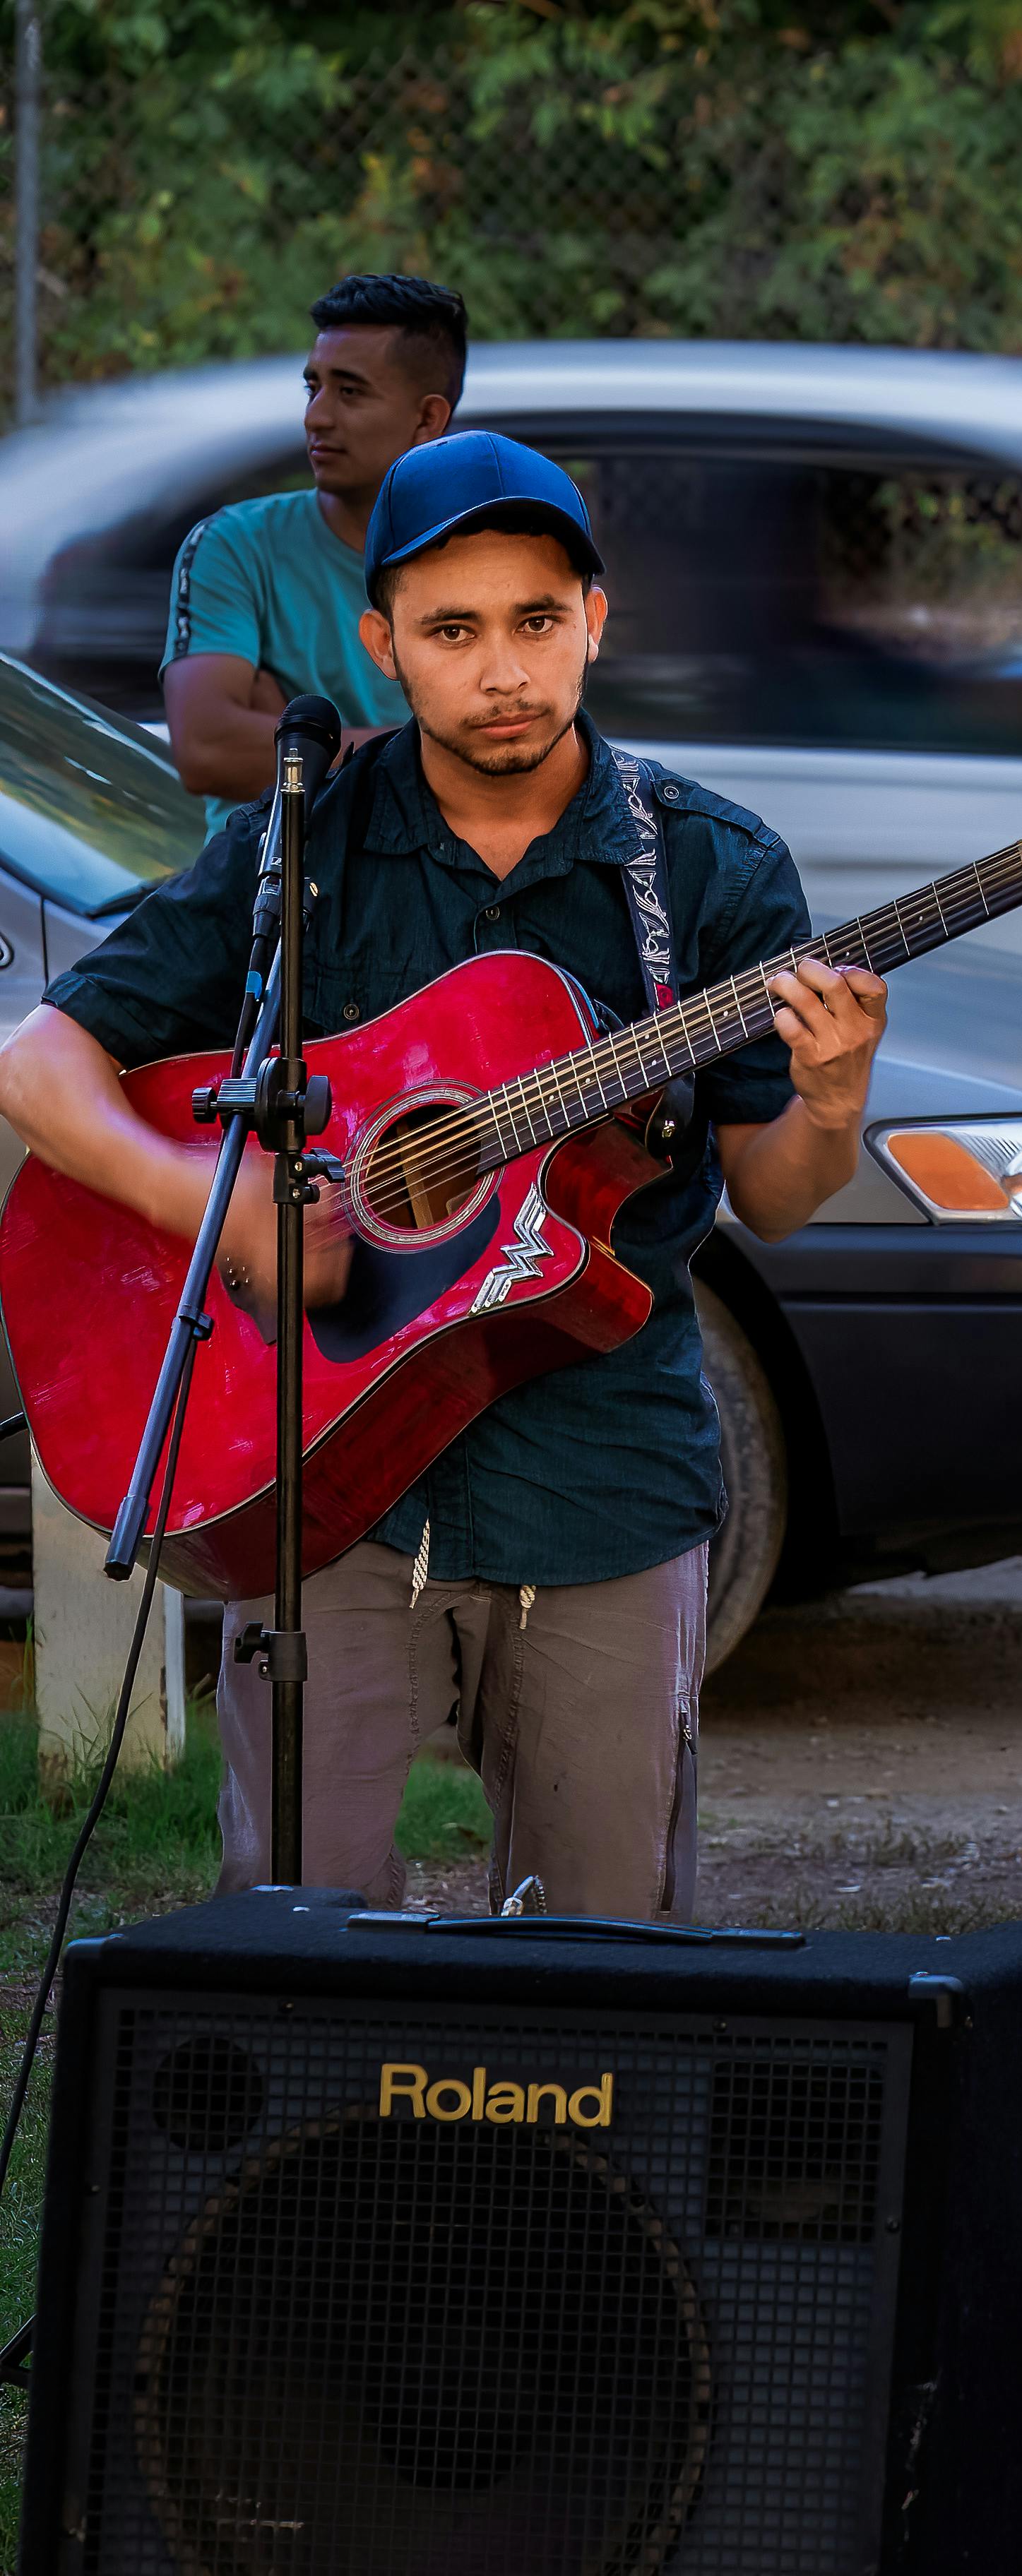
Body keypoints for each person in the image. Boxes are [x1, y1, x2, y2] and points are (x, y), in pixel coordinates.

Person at [0, 433, 890, 1919]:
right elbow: (41, 1061)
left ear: (596, 620)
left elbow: (780, 1193)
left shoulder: (711, 871)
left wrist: (835, 1100)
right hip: (321, 1487)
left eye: (536, 624)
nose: (502, 675)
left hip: (601, 1482)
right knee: (296, 1942)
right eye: (451, 632)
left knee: (611, 1957)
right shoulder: (302, 850)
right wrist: (229, 1227)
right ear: (380, 646)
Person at [161, 273, 470, 812]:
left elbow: (510, 756)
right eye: (314, 388)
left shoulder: (482, 563)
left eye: (350, 392)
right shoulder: (236, 546)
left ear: (427, 418)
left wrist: (301, 741)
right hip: (265, 889)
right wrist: (430, 750)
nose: (316, 417)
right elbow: (209, 749)